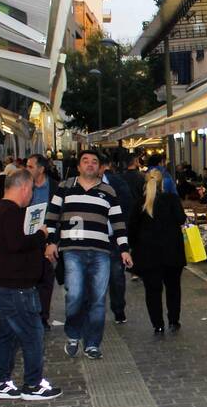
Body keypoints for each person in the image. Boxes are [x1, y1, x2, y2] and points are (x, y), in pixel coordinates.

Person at [0, 169, 60, 401]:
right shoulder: (11, 212)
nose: (32, 195)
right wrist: (41, 235)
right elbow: (18, 243)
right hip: (16, 287)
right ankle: (33, 385)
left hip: (4, 283)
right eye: (31, 190)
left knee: (8, 334)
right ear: (24, 187)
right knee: (33, 333)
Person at [44, 150, 133, 360]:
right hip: (72, 250)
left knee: (98, 300)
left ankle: (93, 343)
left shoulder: (108, 191)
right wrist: (50, 242)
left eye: (94, 162)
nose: (90, 164)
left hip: (101, 251)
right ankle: (74, 334)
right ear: (79, 166)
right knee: (75, 295)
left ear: (100, 167)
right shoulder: (65, 187)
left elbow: (119, 223)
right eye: (86, 161)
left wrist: (124, 249)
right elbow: (51, 217)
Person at [128, 168, 187, 333]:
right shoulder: (172, 199)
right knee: (173, 288)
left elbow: (131, 229)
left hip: (148, 255)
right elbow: (181, 219)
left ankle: (157, 324)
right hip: (172, 253)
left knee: (152, 291)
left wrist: (134, 247)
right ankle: (174, 320)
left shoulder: (140, 203)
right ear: (164, 183)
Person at [101, 149, 137, 325]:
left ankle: (118, 309)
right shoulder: (78, 186)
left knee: (116, 275)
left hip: (113, 237)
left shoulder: (117, 183)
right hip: (90, 240)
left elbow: (128, 207)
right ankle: (95, 310)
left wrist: (123, 234)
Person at [25, 155, 57, 326]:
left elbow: (61, 215)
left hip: (46, 239)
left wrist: (53, 241)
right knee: (29, 278)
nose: (27, 170)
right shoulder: (24, 185)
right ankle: (30, 313)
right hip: (27, 238)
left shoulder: (56, 187)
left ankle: (43, 316)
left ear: (41, 169)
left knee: (45, 278)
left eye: (30, 167)